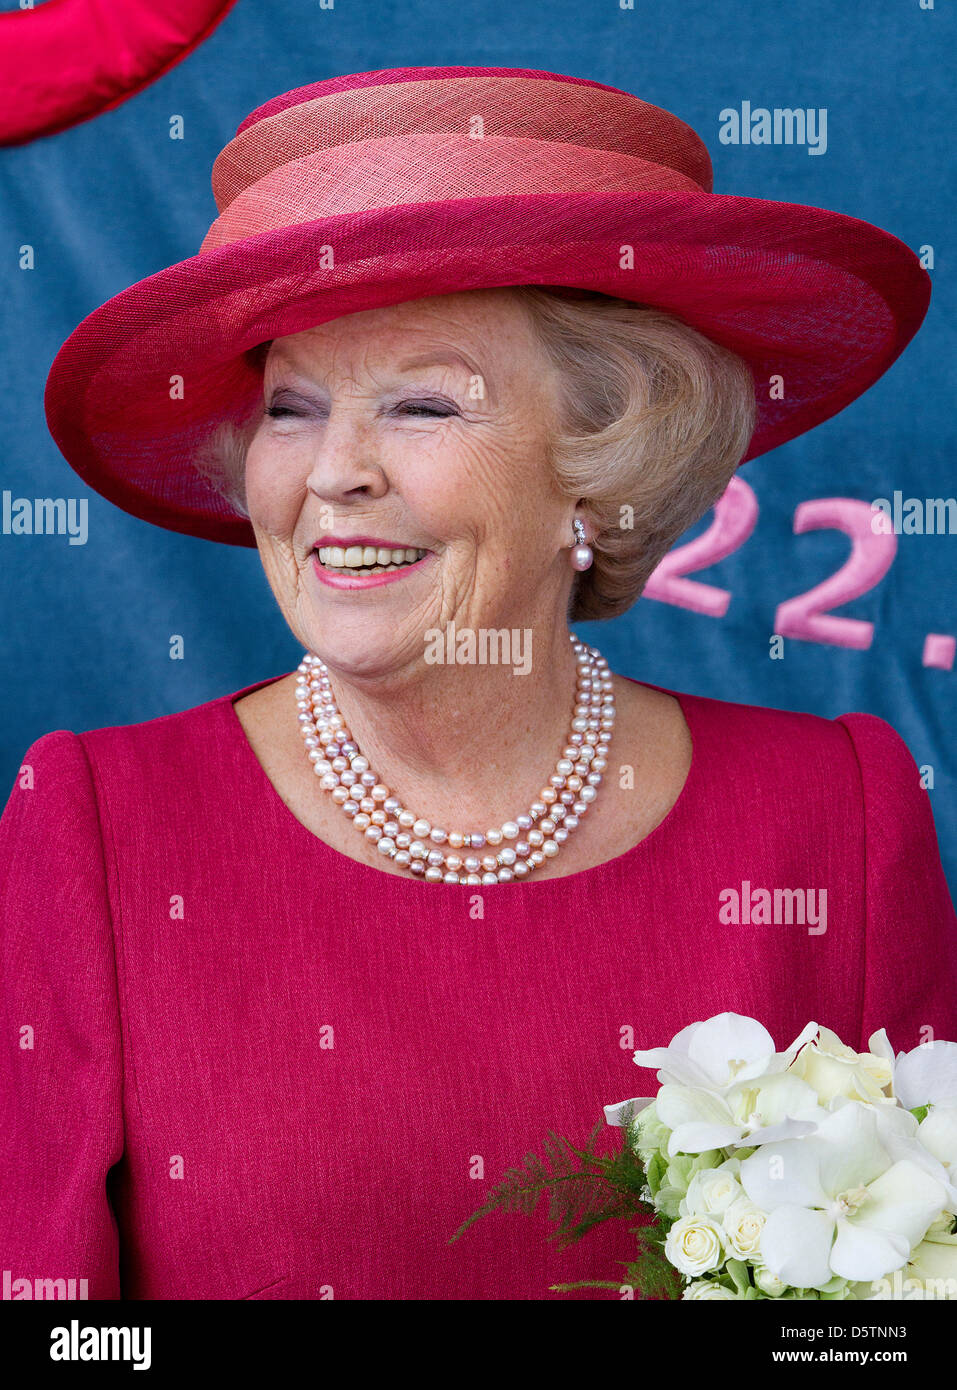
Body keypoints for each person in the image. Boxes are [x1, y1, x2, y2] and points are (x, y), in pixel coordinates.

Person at [2, 64, 954, 1301]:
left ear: (602, 469)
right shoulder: (101, 823)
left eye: (421, 405)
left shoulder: (837, 810)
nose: (335, 471)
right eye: (292, 407)